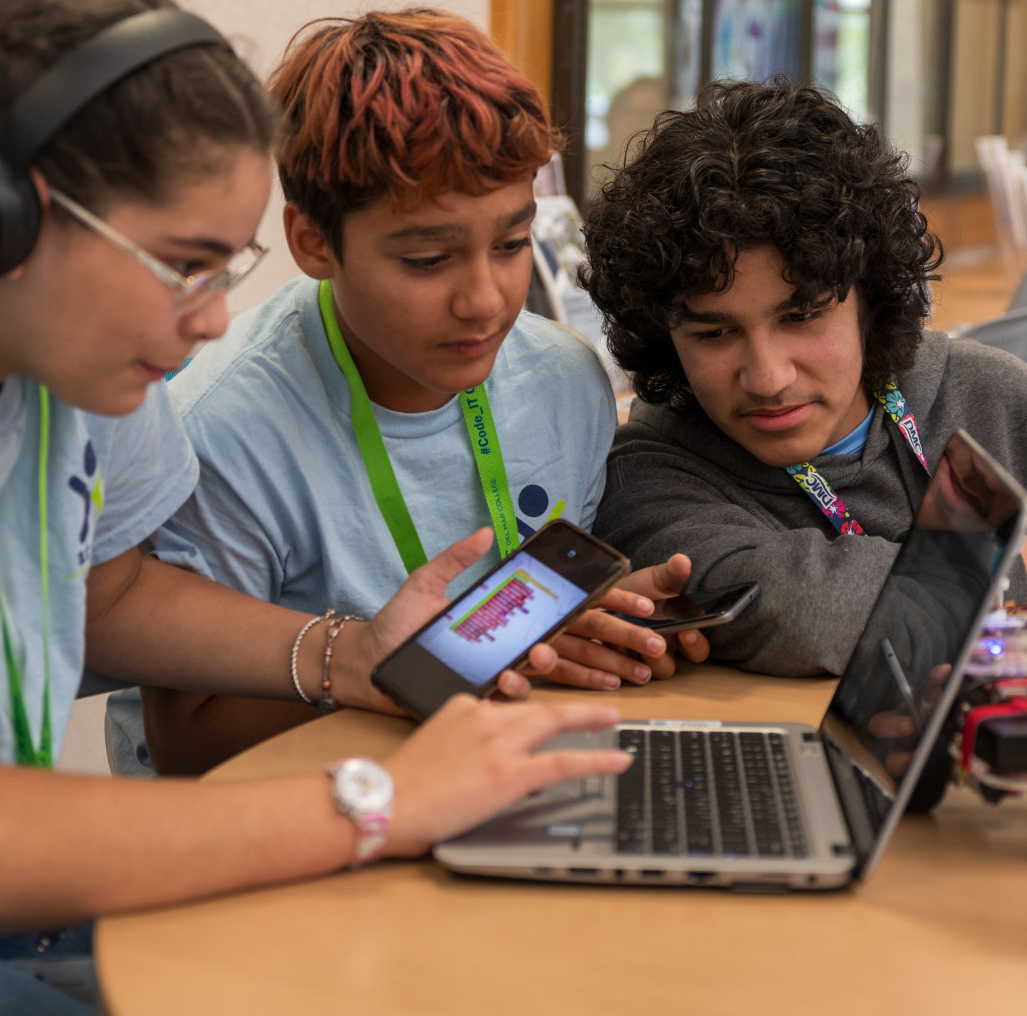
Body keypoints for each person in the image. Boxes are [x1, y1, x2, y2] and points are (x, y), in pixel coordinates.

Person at [0, 3, 637, 1012]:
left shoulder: (66, 344)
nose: (217, 314)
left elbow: (116, 589)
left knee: (369, 965)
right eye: (183, 266)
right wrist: (380, 800)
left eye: (226, 267)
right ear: (0, 217)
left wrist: (351, 652)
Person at [123, 8, 705, 777]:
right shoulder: (217, 428)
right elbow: (186, 738)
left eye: (509, 244)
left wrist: (596, 621)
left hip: (487, 772)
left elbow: (530, 626)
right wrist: (451, 655)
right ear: (312, 243)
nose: (487, 301)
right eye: (429, 259)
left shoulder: (566, 381)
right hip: (277, 818)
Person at [581, 79, 1027, 680]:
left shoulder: (992, 396)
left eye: (802, 317)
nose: (766, 377)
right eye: (714, 334)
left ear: (870, 298)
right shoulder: (650, 472)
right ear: (663, 336)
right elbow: (805, 613)